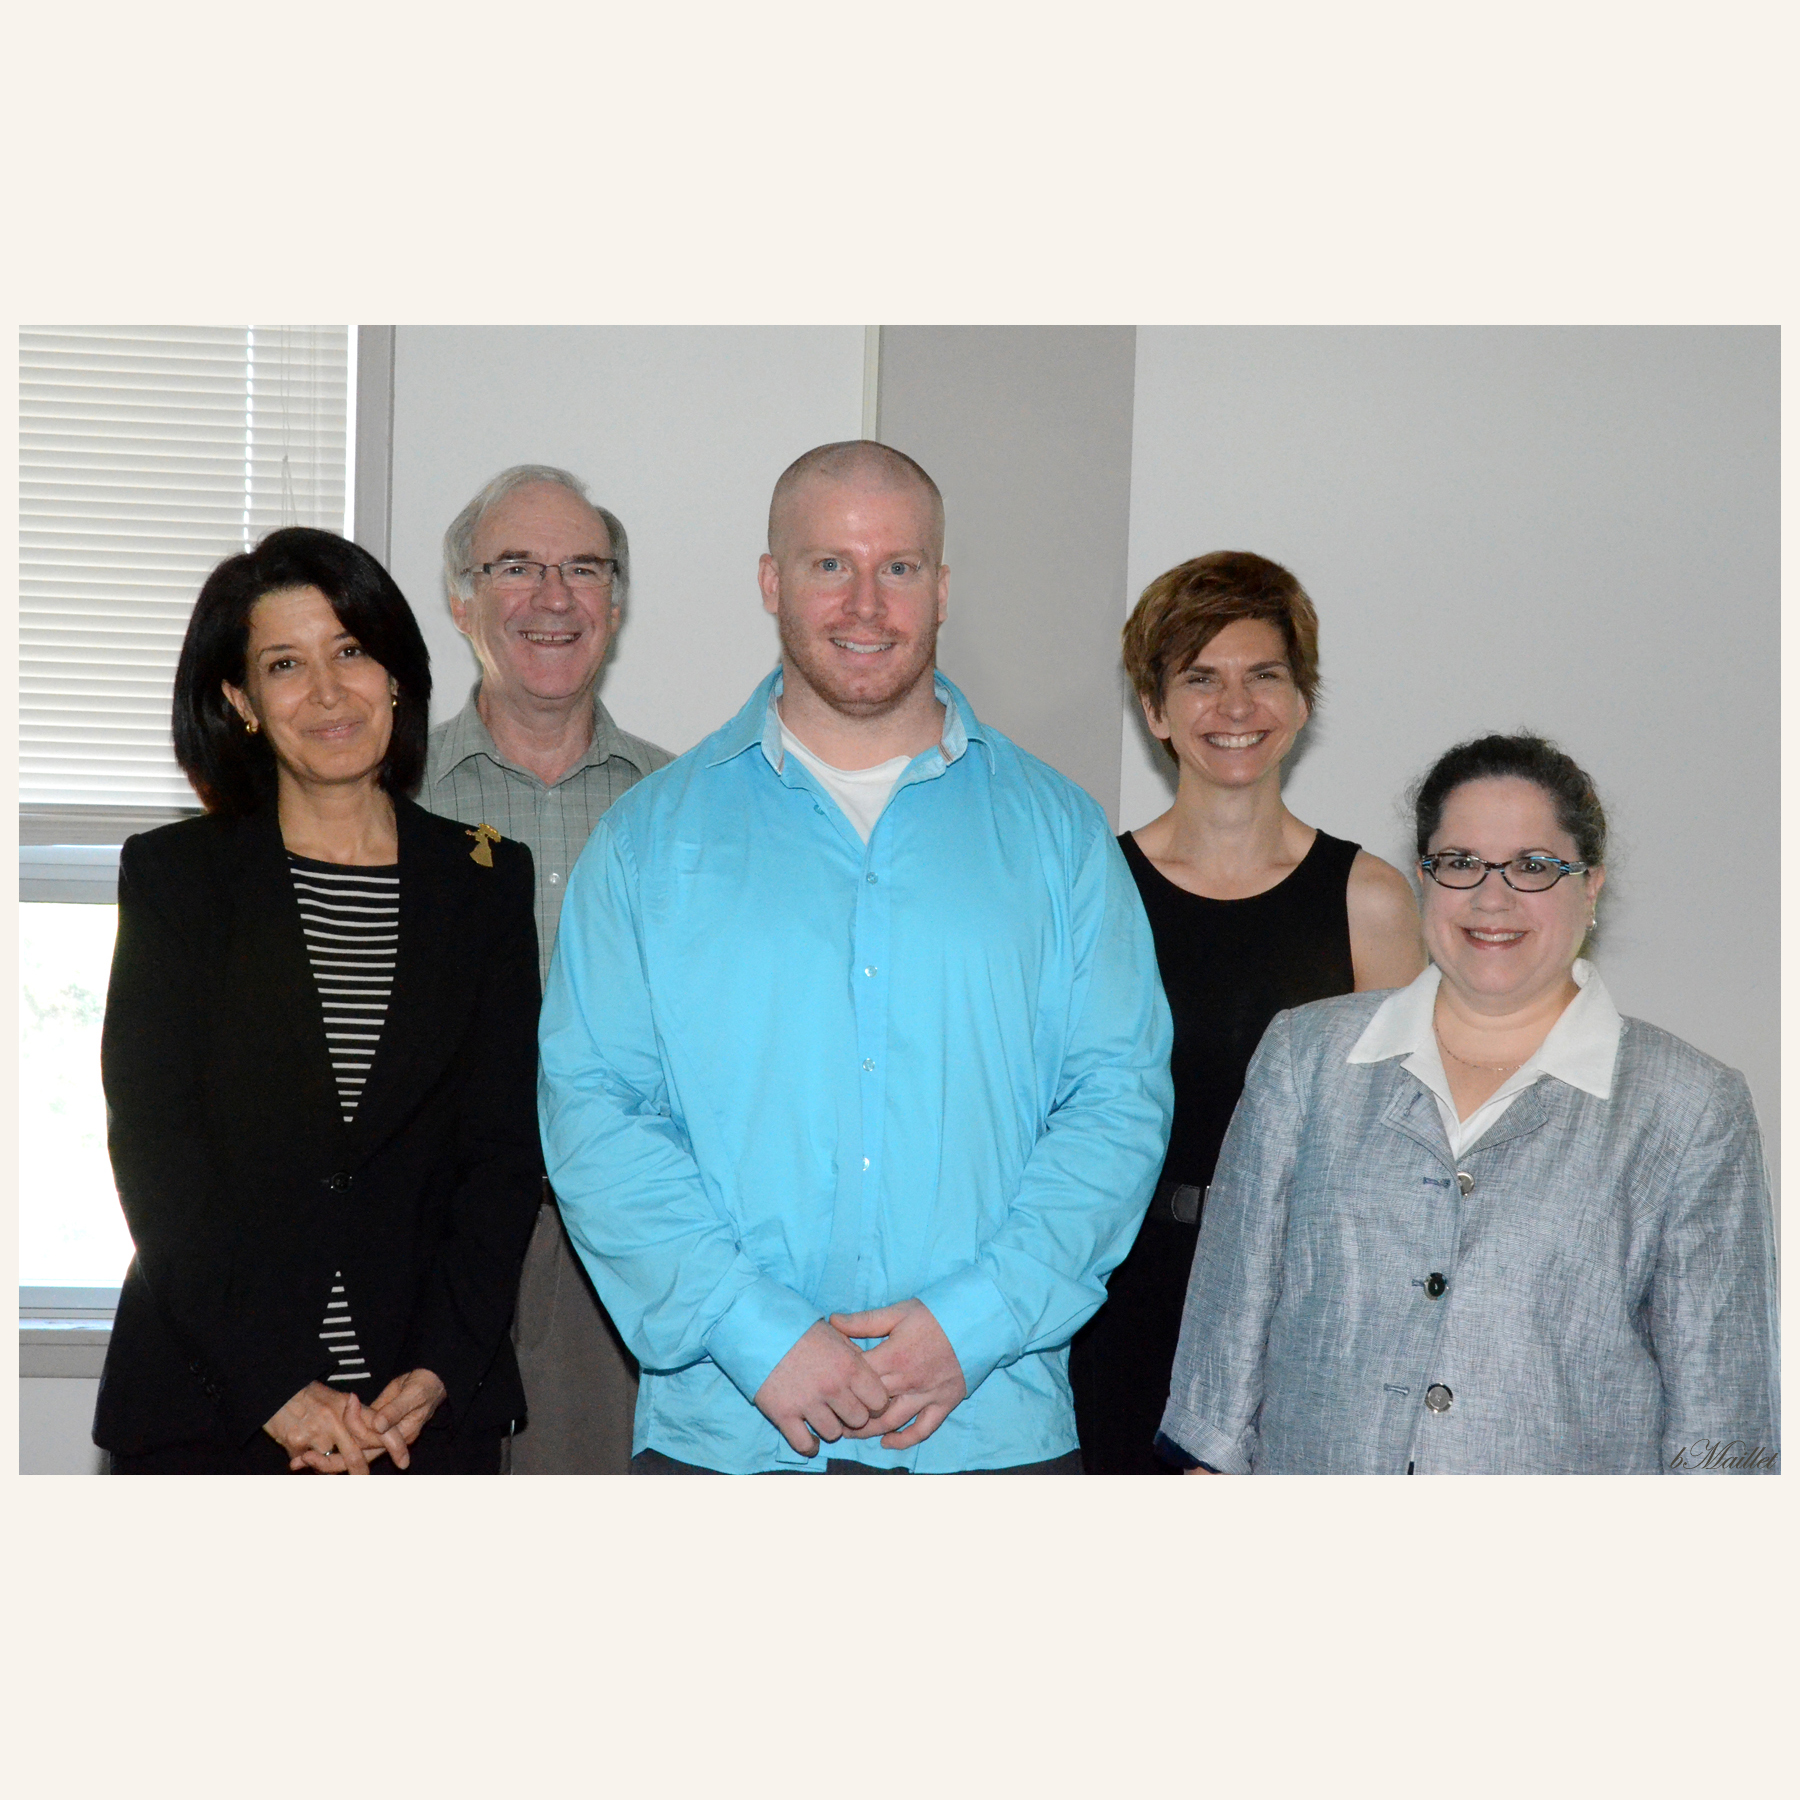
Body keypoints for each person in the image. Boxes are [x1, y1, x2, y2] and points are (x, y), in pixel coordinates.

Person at [538, 440, 1174, 1473]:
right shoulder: (650, 841)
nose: (866, 603)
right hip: (732, 1437)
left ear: (943, 588)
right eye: (829, 563)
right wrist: (758, 1334)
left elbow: (1117, 1099)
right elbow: (594, 1111)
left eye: (900, 567)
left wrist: (980, 1319)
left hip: (989, 1430)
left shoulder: (1061, 839)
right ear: (770, 581)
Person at [1159, 733, 1779, 1474]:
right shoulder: (1306, 1057)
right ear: (1424, 877)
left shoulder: (1690, 1109)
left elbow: (1723, 1411)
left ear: (1591, 886)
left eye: (1533, 866)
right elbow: (1222, 1350)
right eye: (1460, 863)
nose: (1493, 897)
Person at [96, 528, 542, 1474]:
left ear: (396, 674)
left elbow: (501, 1157)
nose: (329, 691)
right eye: (285, 664)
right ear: (241, 701)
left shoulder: (487, 882)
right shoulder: (178, 879)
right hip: (213, 1408)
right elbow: (155, 1148)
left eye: (351, 650)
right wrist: (274, 1387)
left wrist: (437, 1370)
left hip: (422, 1419)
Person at [1069, 551, 1424, 1473]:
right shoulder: (1089, 890)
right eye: (1200, 679)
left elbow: (1395, 1164)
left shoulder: (1372, 903)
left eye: (1264, 675)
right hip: (1113, 1307)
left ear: (1302, 700)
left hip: (1298, 1313)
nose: (1235, 708)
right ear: (1154, 711)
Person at [424, 465, 671, 1475]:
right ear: (461, 597)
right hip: (427, 1248)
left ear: (615, 603)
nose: (553, 598)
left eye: (584, 569)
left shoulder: (692, 809)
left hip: (625, 1257)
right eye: (516, 567)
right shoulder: (389, 807)